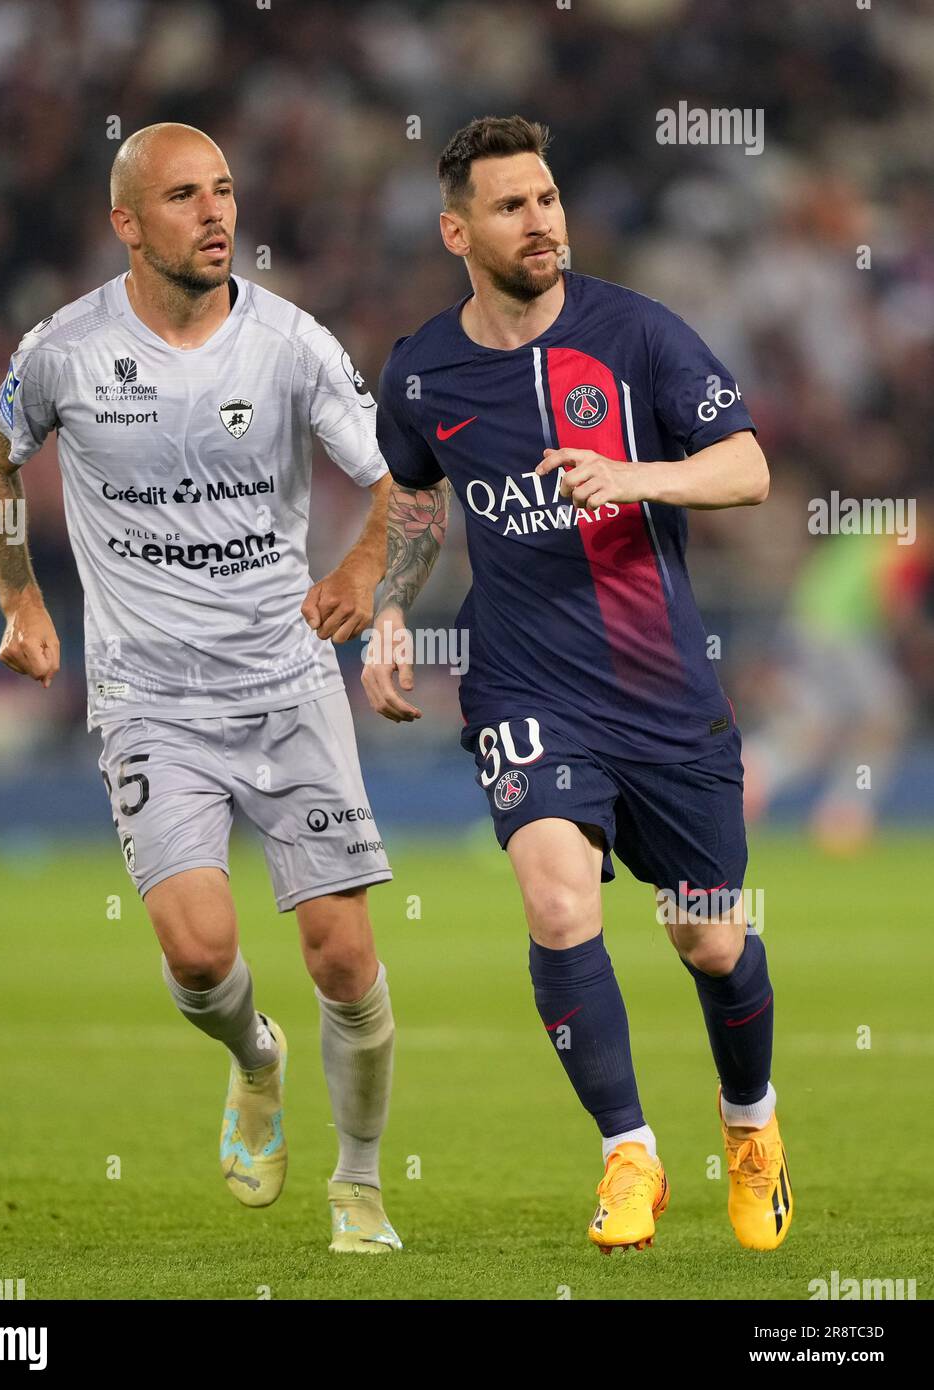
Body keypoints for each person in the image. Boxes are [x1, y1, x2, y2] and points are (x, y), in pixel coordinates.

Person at [0, 122, 401, 1254]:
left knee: (344, 956)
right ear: (126, 223)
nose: (216, 215)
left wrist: (362, 567)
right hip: (149, 698)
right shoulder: (65, 351)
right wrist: (21, 600)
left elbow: (404, 478)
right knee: (202, 950)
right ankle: (256, 1058)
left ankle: (358, 1182)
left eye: (223, 192)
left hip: (287, 683)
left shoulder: (291, 344)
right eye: (182, 197)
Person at [364, 115, 790, 1253]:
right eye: (511, 205)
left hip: (666, 697)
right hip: (526, 690)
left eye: (547, 198)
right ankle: (629, 1155)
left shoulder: (638, 333)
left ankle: (749, 1124)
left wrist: (633, 475)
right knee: (559, 901)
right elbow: (414, 500)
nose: (541, 219)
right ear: (458, 230)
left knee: (709, 940)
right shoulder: (420, 372)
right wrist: (395, 603)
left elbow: (747, 467)